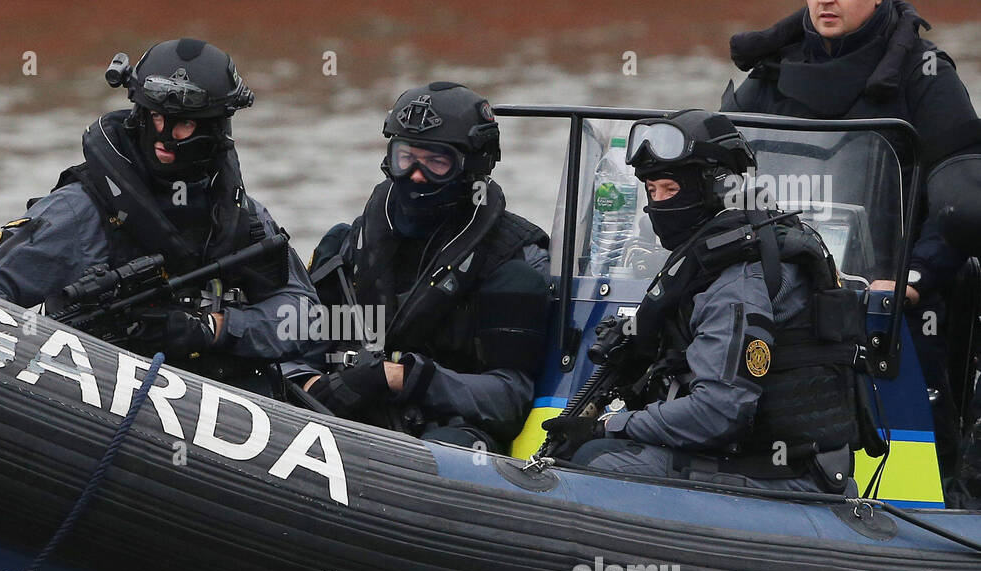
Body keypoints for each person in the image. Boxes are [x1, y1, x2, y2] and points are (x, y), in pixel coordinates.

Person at [721, 0, 981, 504]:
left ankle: (938, 502)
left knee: (923, 363)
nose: (827, 1)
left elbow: (961, 197)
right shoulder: (769, 74)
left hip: (892, 300)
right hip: (783, 288)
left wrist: (915, 276)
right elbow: (725, 185)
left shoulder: (926, 76)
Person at [0, 38, 317, 389]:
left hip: (223, 405)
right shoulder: (82, 209)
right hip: (96, 405)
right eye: (157, 117)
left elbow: (302, 315)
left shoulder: (242, 218)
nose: (165, 136)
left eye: (184, 124)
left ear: (215, 127)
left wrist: (214, 327)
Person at [548, 110, 873, 494]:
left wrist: (613, 424)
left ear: (714, 189)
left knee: (596, 459)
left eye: (670, 189)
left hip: (785, 475)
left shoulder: (739, 278)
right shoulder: (722, 256)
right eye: (651, 192)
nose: (658, 204)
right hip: (755, 452)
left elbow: (718, 411)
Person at [286, 82, 552, 452]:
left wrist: (402, 377)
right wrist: (312, 383)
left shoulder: (513, 262)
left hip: (452, 432)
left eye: (436, 162)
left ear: (472, 168)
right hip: (352, 416)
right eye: (405, 157)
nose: (416, 174)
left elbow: (508, 397)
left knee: (447, 445)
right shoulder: (349, 244)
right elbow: (300, 349)